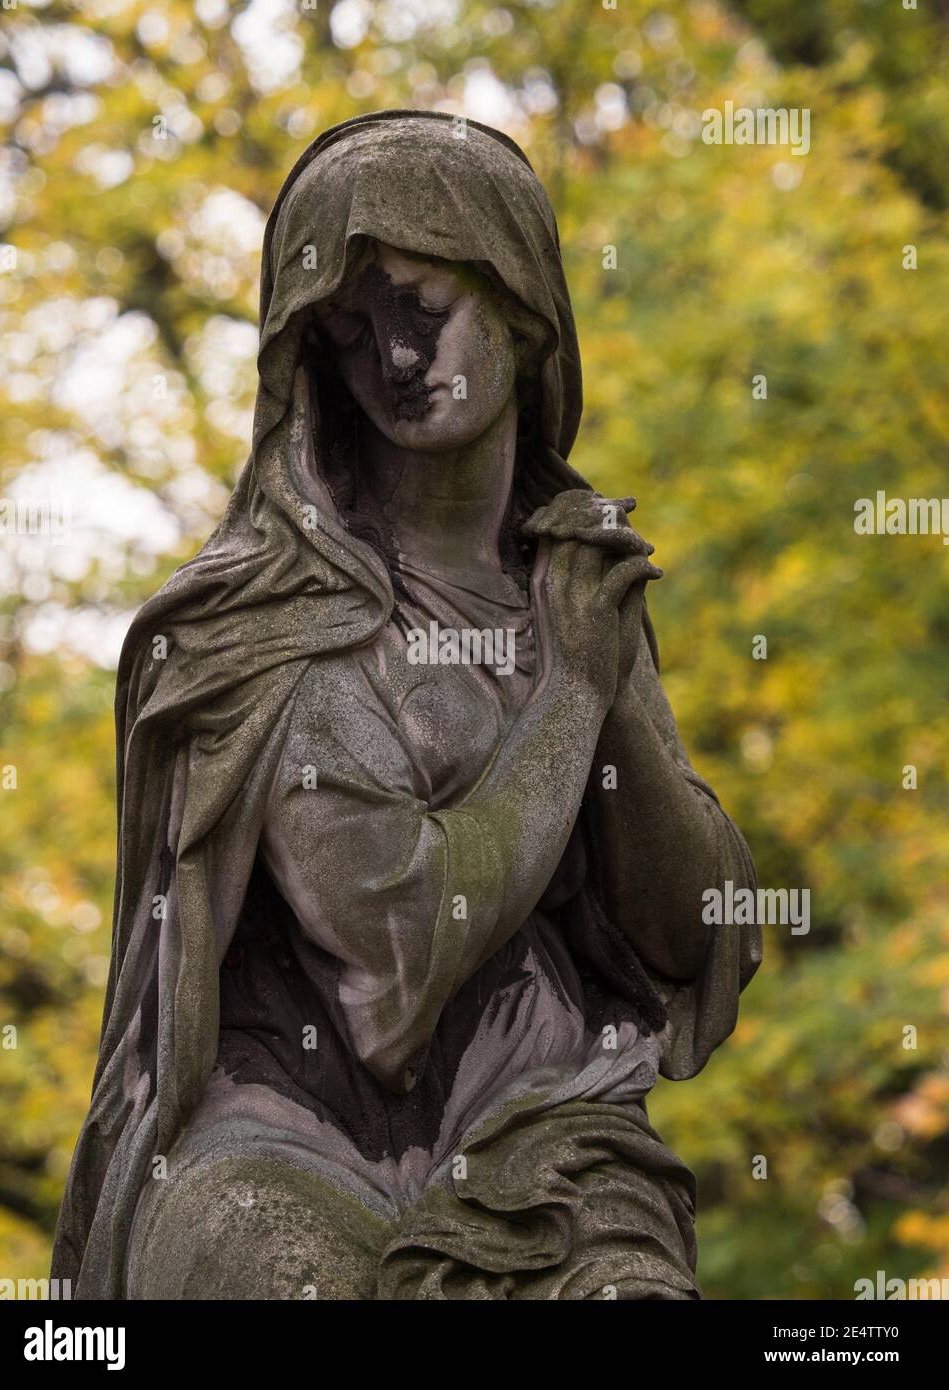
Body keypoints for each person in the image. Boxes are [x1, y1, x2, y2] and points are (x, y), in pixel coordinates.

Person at [52, 110, 761, 1300]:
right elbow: (394, 974)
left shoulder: (577, 587)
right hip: (277, 1149)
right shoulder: (263, 626)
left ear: (521, 302)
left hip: (547, 1143)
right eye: (347, 330)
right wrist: (571, 695)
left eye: (419, 310)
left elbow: (693, 934)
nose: (389, 357)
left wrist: (611, 690)